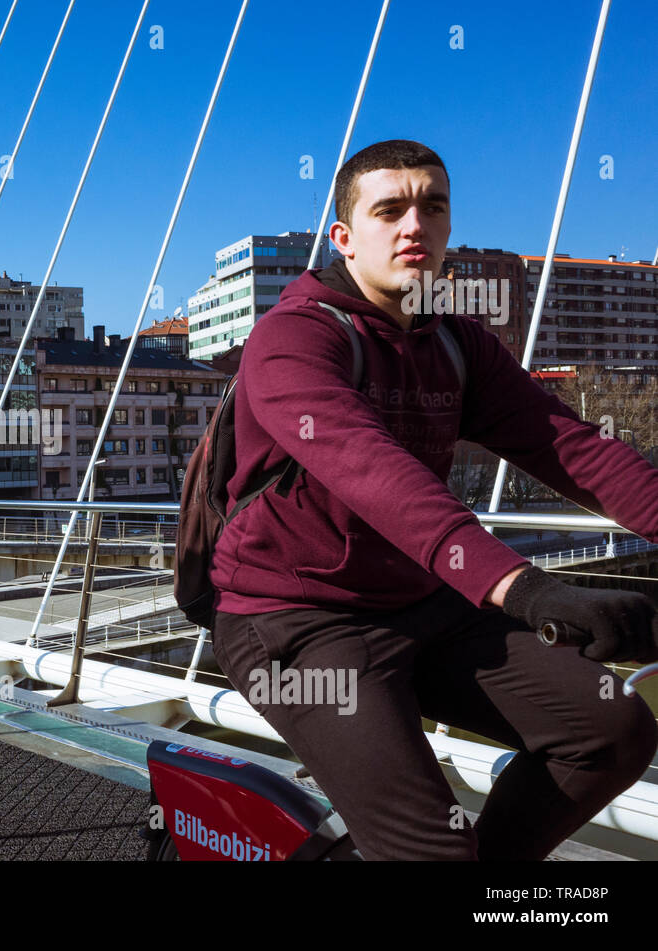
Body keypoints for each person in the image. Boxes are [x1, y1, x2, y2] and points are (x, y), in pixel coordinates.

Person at [210, 140, 658, 860]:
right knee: (432, 849)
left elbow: (577, 450)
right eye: (389, 209)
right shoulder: (292, 340)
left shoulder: (459, 345)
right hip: (299, 618)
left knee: (614, 731)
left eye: (433, 206)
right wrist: (530, 591)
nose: (414, 225)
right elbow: (377, 474)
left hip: (425, 601)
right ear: (345, 239)